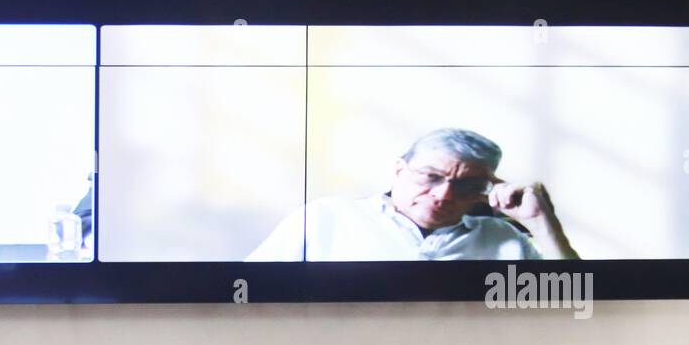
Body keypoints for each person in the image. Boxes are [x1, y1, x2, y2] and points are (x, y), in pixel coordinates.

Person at [248, 128, 579, 262]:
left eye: (466, 185)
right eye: (431, 176)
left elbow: (573, 299)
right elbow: (244, 294)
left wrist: (542, 223)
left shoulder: (503, 240)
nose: (444, 194)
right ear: (398, 170)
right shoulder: (325, 218)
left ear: (485, 188)